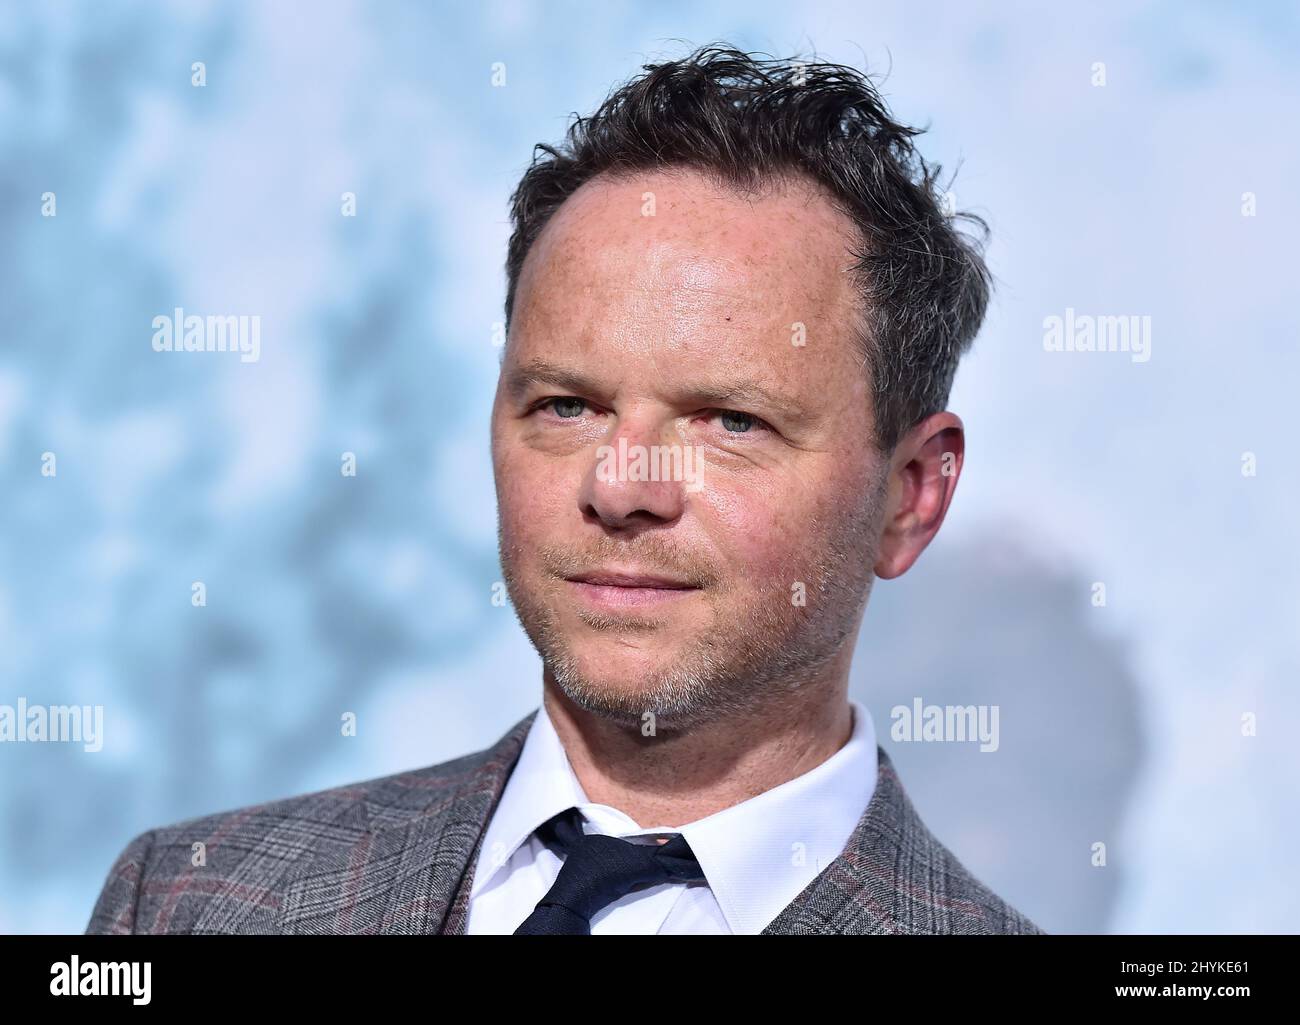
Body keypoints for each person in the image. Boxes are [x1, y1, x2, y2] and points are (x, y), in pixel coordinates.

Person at [87, 43, 1042, 936]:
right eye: (567, 406)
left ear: (912, 493)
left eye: (729, 422)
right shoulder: (186, 901)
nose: (622, 487)